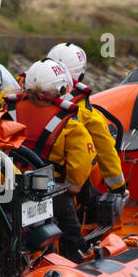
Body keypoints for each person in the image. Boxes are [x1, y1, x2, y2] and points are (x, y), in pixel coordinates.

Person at [15, 59, 96, 262]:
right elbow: (80, 166)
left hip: (9, 188)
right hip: (50, 192)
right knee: (71, 230)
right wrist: (72, 190)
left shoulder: (7, 111)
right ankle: (74, 259)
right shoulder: (69, 123)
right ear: (61, 88)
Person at [46, 42, 127, 197]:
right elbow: (105, 149)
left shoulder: (22, 96)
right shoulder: (83, 111)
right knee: (91, 201)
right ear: (80, 74)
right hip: (58, 182)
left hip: (19, 170)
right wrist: (118, 187)